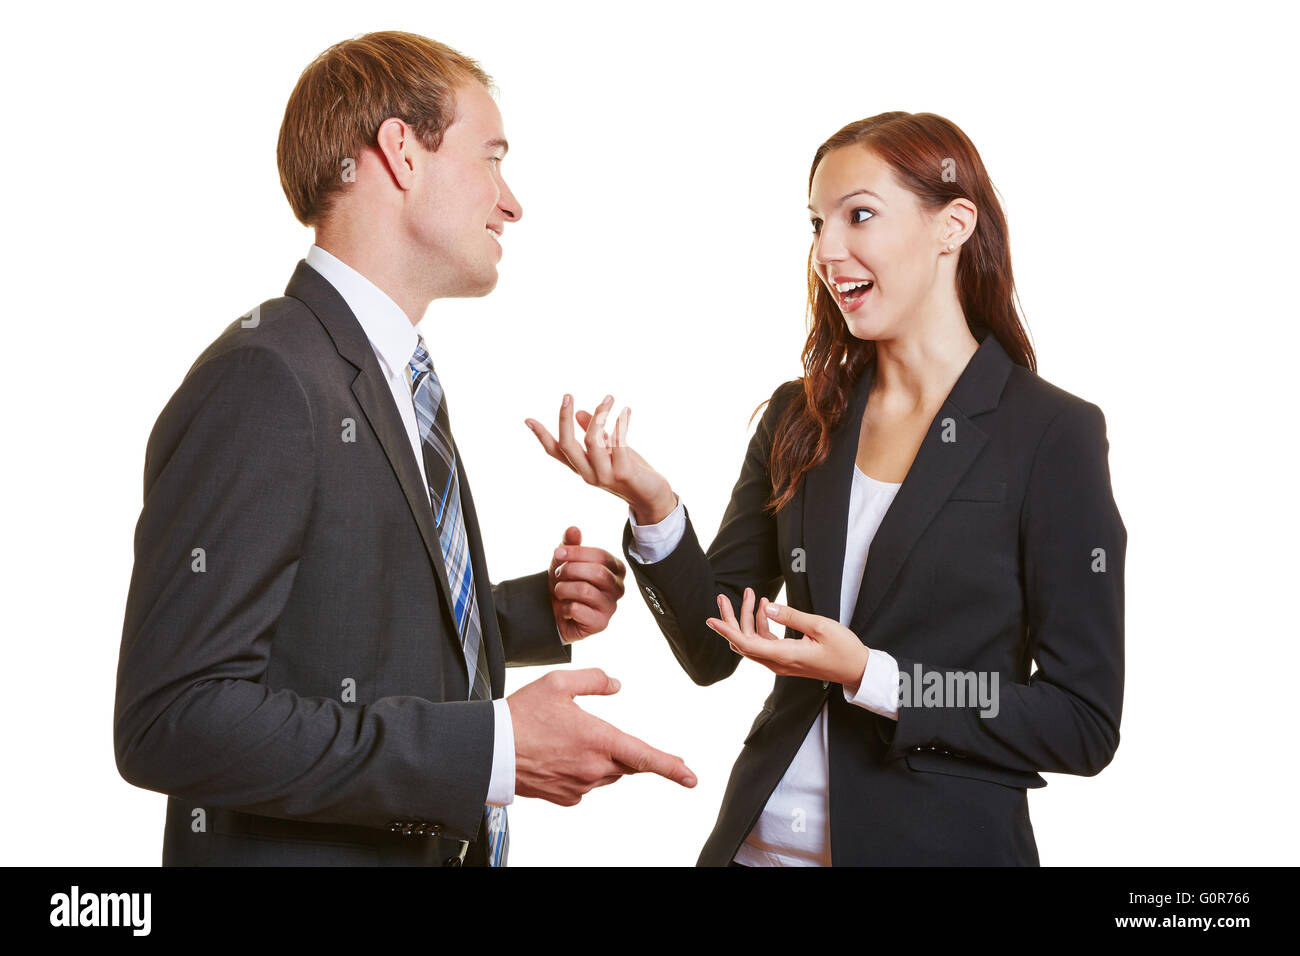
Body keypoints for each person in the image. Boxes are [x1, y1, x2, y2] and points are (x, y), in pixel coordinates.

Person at [114, 30, 695, 868]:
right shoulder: (266, 376)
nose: (511, 202)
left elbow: (337, 628)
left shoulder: (389, 373)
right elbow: (174, 718)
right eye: (490, 157)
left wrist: (534, 612)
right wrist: (489, 751)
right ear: (400, 153)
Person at [526, 111, 1125, 866]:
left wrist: (876, 678)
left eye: (860, 215)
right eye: (816, 224)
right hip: (757, 847)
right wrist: (653, 509)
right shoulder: (801, 414)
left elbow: (1080, 720)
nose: (826, 251)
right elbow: (715, 648)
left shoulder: (1050, 436)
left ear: (953, 225)